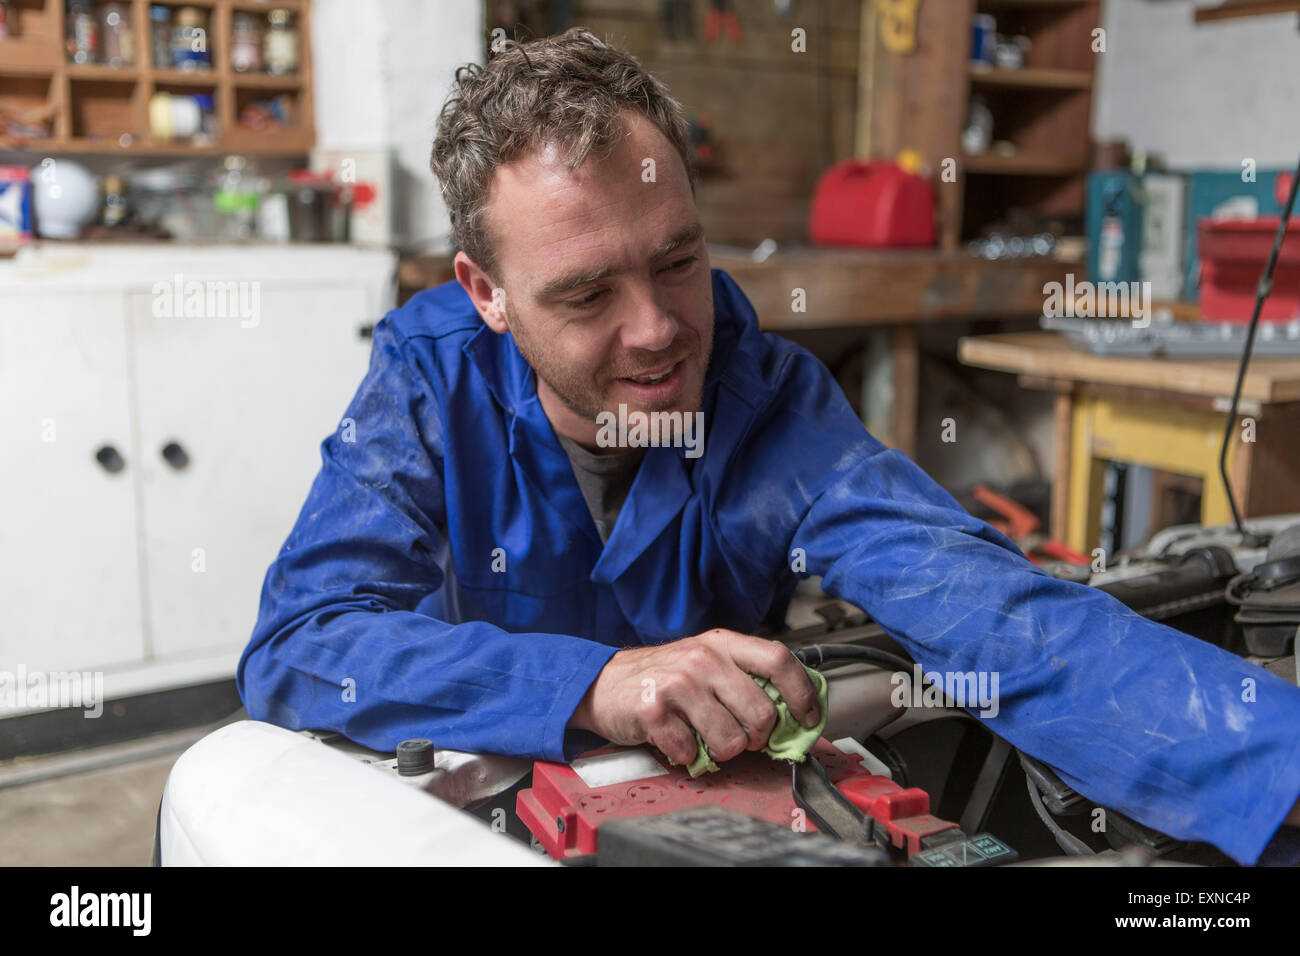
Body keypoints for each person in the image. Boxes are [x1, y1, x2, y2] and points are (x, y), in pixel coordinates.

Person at [238, 29, 1300, 865]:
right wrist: (593, 682)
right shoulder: (428, 383)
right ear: (487, 294)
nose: (655, 328)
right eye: (586, 292)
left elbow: (993, 612)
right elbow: (303, 641)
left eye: (677, 260)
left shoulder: (765, 397)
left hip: (732, 828)